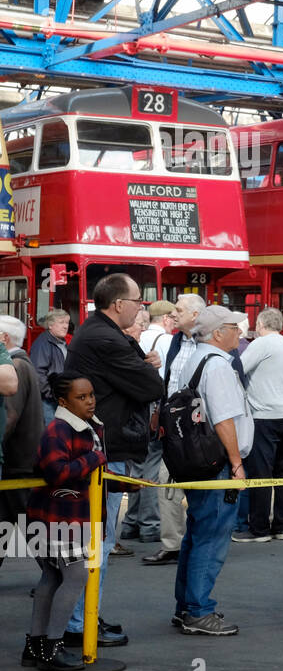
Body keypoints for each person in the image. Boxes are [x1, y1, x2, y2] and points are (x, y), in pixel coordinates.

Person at [62, 273, 164, 647]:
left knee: (94, 542)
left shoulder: (101, 333)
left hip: (99, 449)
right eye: (138, 301)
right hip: (102, 453)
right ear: (119, 304)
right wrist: (148, 368)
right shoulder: (105, 338)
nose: (141, 307)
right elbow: (152, 386)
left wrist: (144, 362)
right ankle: (79, 625)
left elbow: (142, 376)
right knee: (98, 544)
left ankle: (84, 617)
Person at [173, 305, 253, 634]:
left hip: (197, 461)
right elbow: (223, 420)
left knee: (196, 534)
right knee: (212, 537)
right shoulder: (218, 365)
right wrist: (237, 463)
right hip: (217, 463)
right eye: (234, 327)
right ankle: (198, 610)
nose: (240, 333)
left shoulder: (195, 358)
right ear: (218, 333)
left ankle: (187, 606)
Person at [23, 374, 107, 671]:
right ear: (63, 402)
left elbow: (89, 474)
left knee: (52, 576)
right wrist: (95, 458)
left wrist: (124, 484)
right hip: (58, 520)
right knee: (74, 576)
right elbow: (57, 472)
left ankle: (36, 646)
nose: (90, 401)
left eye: (91, 395)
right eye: (81, 397)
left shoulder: (85, 426)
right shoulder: (59, 429)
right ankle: (52, 646)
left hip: (59, 518)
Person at [143, 292, 205, 566]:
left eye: (178, 310)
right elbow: (170, 380)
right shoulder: (177, 341)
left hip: (201, 428)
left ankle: (200, 544)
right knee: (165, 483)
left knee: (202, 489)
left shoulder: (210, 341)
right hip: (174, 426)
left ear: (195, 315)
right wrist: (160, 410)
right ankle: (172, 545)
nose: (172, 314)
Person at [232, 308, 283, 542]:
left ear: (260, 324)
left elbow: (238, 369)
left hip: (263, 415)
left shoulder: (261, 344)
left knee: (261, 473)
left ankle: (259, 528)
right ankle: (282, 526)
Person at [120, 303, 171, 544]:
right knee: (150, 469)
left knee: (137, 470)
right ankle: (149, 525)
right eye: (139, 325)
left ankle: (131, 523)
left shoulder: (131, 346)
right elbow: (154, 386)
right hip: (145, 414)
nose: (142, 329)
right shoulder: (139, 348)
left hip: (133, 417)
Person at [0, 316, 41, 570]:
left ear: (4, 338)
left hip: (17, 461)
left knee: (31, 526)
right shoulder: (22, 363)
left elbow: (9, 416)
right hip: (20, 460)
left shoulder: (15, 366)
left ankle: (56, 575)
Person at [30, 309, 70, 426]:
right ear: (50, 325)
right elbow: (38, 373)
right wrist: (50, 394)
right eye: (61, 322)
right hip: (48, 401)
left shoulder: (61, 342)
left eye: (67, 322)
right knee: (52, 431)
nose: (65, 326)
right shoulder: (43, 343)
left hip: (60, 397)